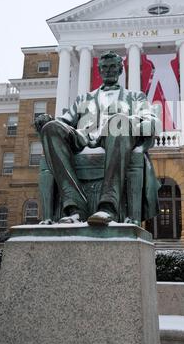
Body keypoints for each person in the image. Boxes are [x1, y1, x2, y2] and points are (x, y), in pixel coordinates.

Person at [35, 50, 161, 225]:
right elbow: (64, 123)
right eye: (104, 68)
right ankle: (75, 207)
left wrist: (128, 123)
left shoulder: (135, 97)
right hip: (83, 140)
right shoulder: (84, 99)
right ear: (99, 71)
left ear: (120, 70)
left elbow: (152, 122)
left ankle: (108, 207)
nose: (108, 71)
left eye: (113, 67)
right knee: (50, 129)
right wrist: (47, 121)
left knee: (118, 125)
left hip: (116, 140)